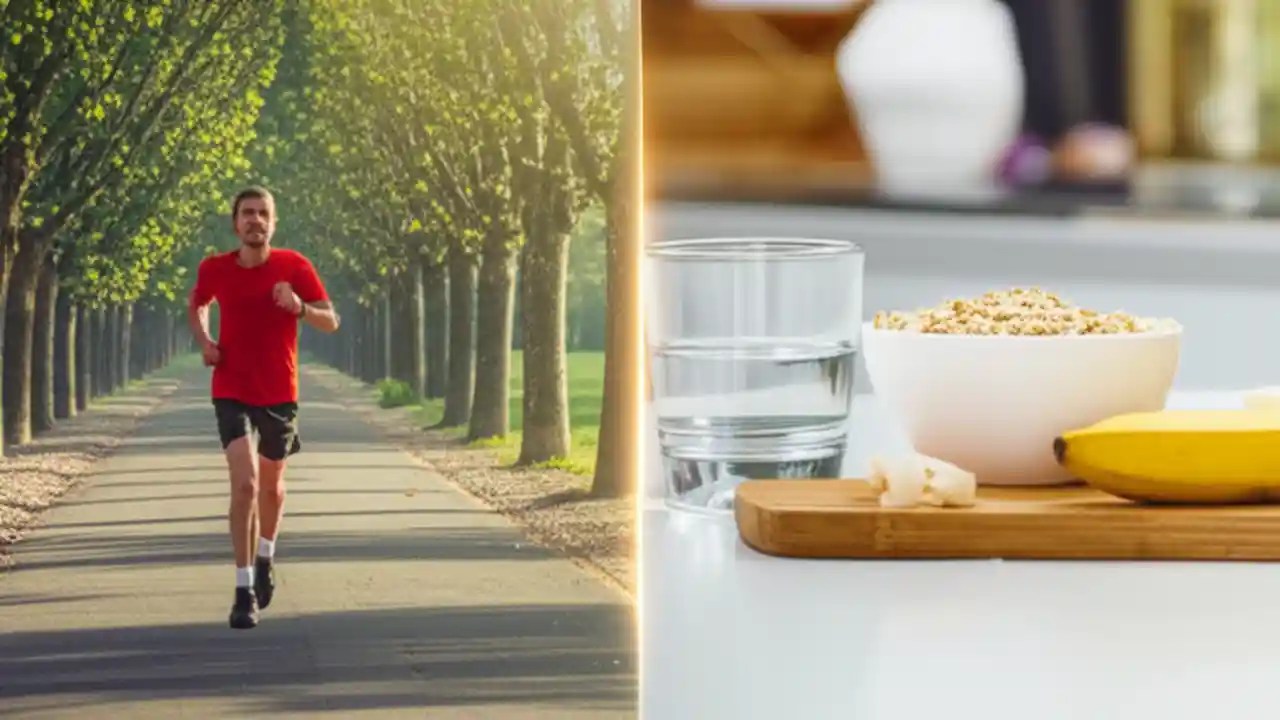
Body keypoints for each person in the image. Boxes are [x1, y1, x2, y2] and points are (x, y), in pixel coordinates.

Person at [187, 186, 341, 630]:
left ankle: (266, 557)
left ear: (273, 223)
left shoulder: (294, 266)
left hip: (278, 390)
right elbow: (198, 302)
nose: (255, 220)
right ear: (235, 222)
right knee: (245, 487)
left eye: (263, 214)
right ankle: (243, 590)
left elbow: (331, 320)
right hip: (231, 385)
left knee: (272, 488)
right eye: (247, 214)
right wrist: (205, 341)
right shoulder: (215, 267)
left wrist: (299, 307)